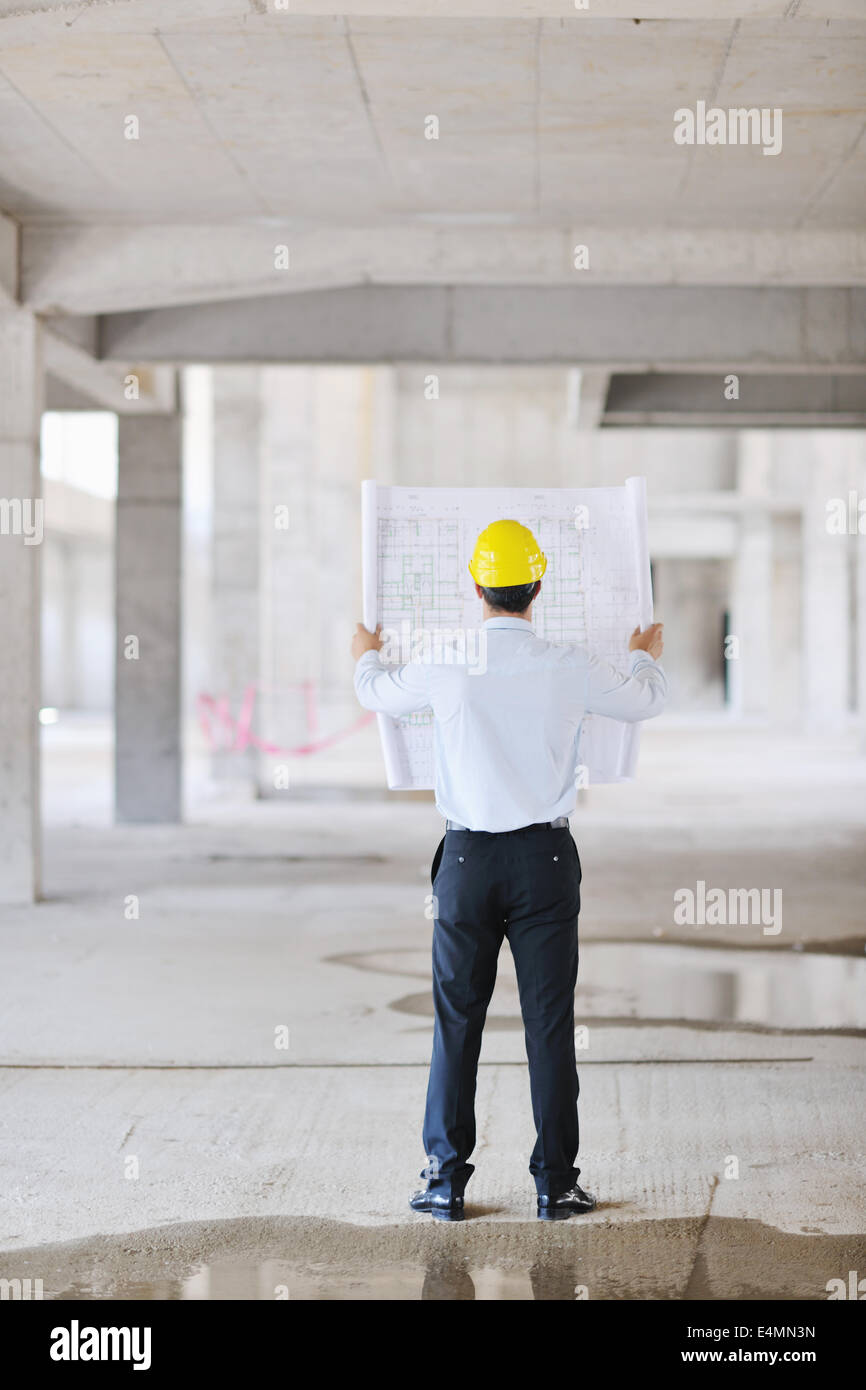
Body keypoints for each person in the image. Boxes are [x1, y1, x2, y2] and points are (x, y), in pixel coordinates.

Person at [351, 519, 666, 1221]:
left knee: (456, 1021)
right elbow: (647, 700)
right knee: (549, 1024)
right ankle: (555, 1183)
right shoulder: (566, 663)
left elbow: (374, 693)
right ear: (539, 586)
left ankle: (443, 1180)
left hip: (465, 862)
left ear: (475, 586)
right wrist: (644, 656)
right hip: (544, 861)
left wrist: (364, 656)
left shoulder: (445, 662)